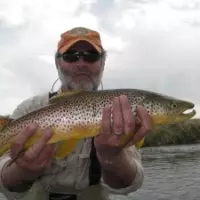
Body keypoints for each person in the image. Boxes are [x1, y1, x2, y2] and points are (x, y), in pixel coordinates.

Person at [0, 27, 152, 200]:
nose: (81, 64)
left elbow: (129, 184)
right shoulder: (29, 109)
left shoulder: (121, 108)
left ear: (102, 63)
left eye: (91, 56)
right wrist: (23, 171)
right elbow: (4, 181)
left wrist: (112, 158)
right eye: (71, 56)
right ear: (58, 63)